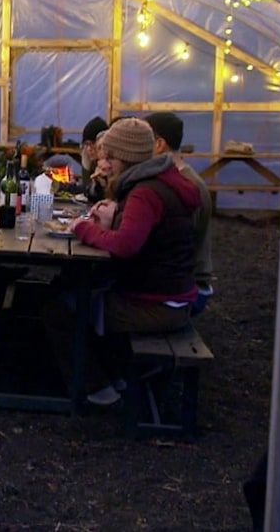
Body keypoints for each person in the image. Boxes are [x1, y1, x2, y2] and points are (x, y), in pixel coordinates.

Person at [42, 118, 203, 405]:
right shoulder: (161, 181)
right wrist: (114, 219)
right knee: (76, 291)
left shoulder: (145, 192)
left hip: (157, 305)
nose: (105, 163)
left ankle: (96, 388)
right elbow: (144, 236)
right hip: (171, 294)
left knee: (60, 308)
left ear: (128, 158)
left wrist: (84, 228)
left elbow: (125, 246)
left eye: (110, 157)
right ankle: (114, 375)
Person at [143, 112, 215, 314]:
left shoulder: (185, 186)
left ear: (159, 144)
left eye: (143, 140)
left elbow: (174, 247)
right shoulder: (177, 180)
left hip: (187, 290)